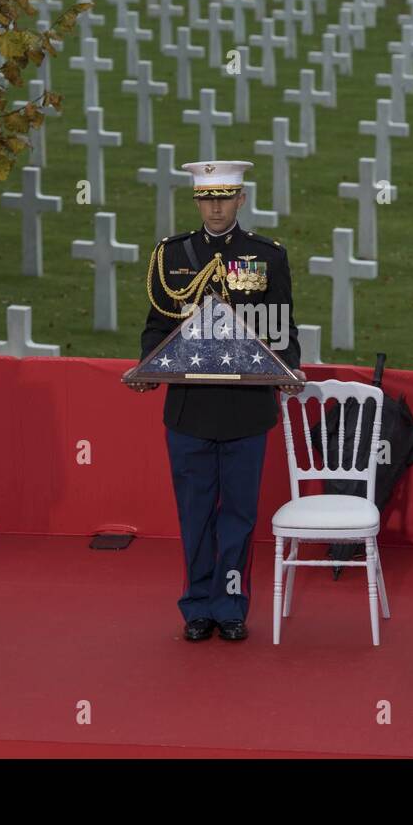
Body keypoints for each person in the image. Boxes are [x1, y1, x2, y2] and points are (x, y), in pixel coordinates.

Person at [126, 160, 304, 642]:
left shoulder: (266, 255)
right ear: (197, 201)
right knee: (195, 513)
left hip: (246, 409)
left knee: (240, 516)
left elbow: (282, 326)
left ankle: (231, 606)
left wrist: (288, 368)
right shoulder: (172, 254)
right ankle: (197, 607)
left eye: (225, 197)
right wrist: (148, 368)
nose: (216, 206)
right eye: (208, 198)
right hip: (189, 408)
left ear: (241, 199)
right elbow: (157, 326)